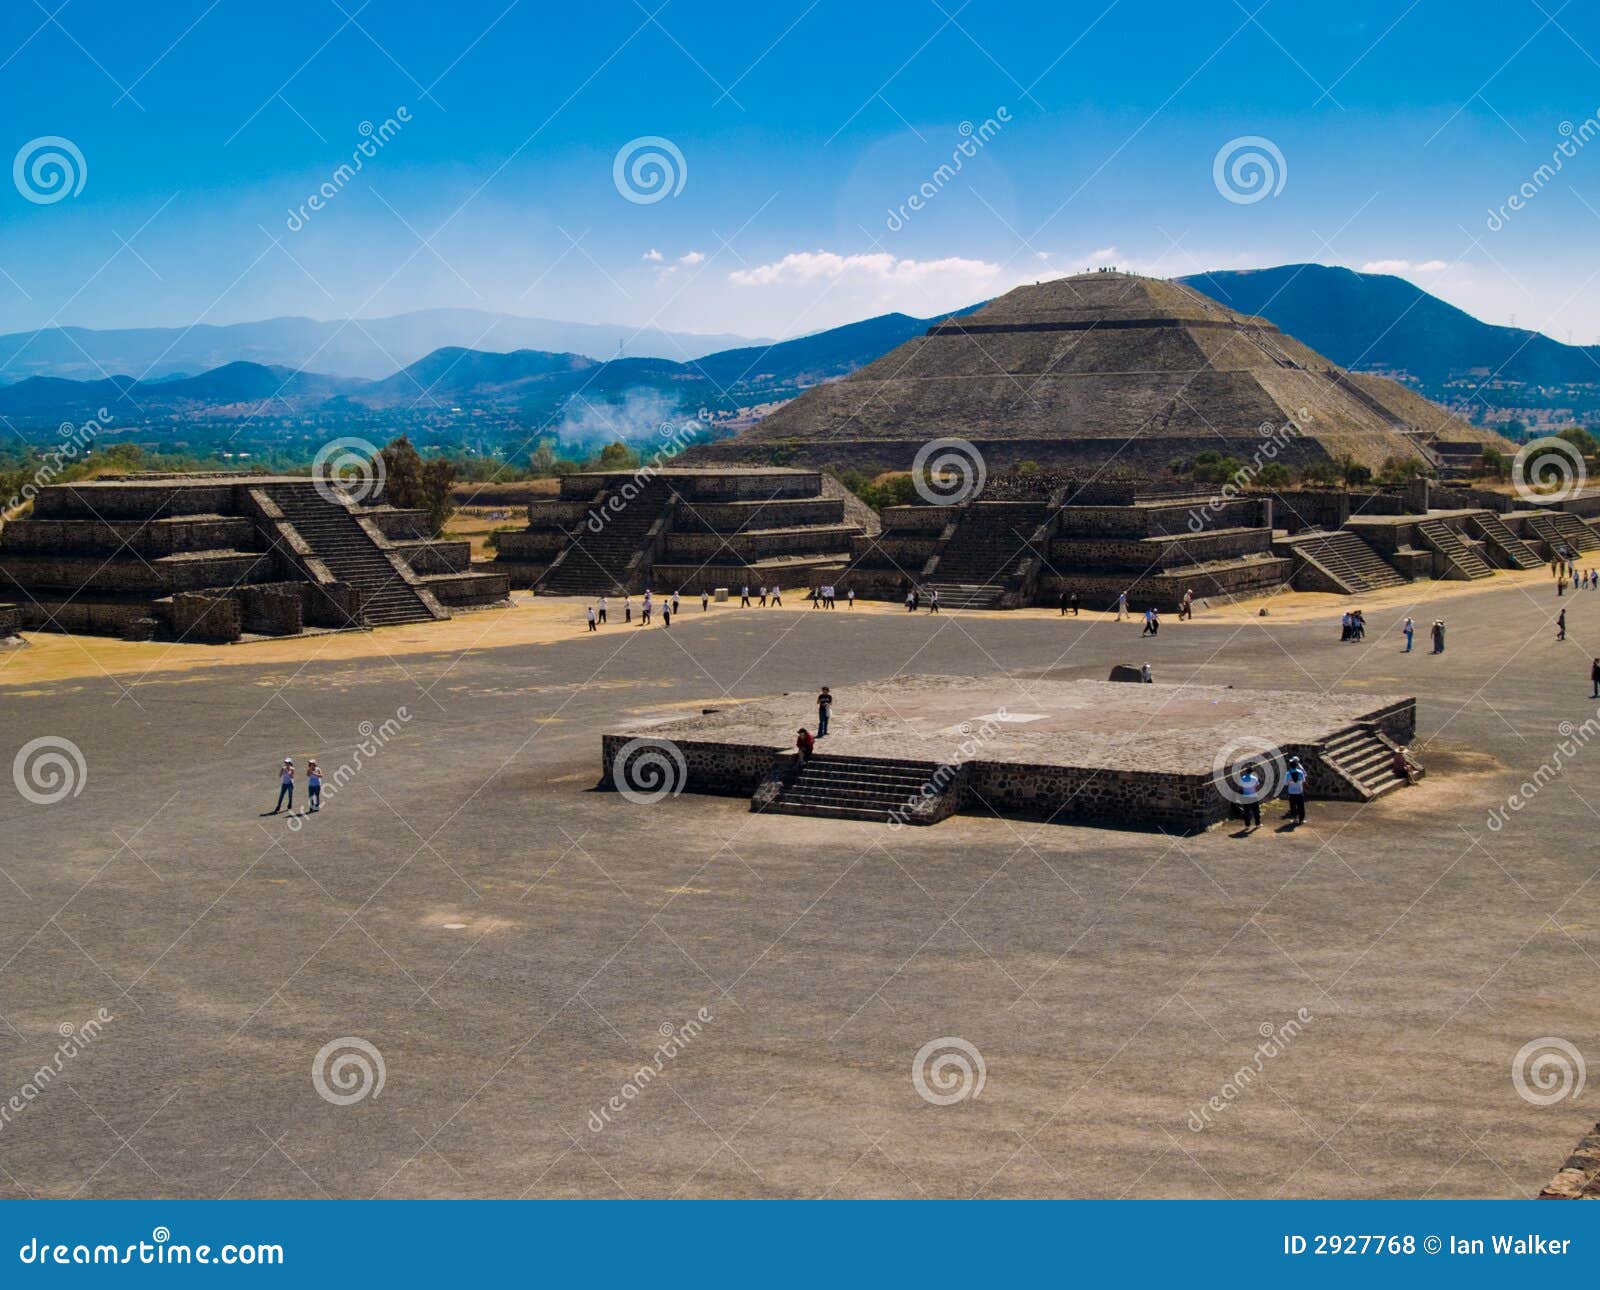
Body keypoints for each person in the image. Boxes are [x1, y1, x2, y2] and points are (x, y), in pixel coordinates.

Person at [1237, 765, 1262, 831]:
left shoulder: (1242, 778)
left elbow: (1240, 786)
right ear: (1252, 772)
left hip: (1246, 797)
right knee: (1256, 811)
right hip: (1253, 796)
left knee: (1246, 812)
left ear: (1246, 772)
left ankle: (1247, 825)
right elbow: (1257, 785)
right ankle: (1258, 824)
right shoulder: (1254, 778)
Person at [1283, 756, 1306, 824]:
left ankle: (1294, 819)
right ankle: (1301, 820)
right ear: (1296, 765)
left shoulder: (1287, 773)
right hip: (1299, 792)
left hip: (1291, 793)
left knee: (1292, 806)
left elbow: (1285, 783)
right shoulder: (1301, 772)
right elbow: (1303, 781)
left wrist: (1291, 782)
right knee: (1301, 807)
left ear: (1290, 766)